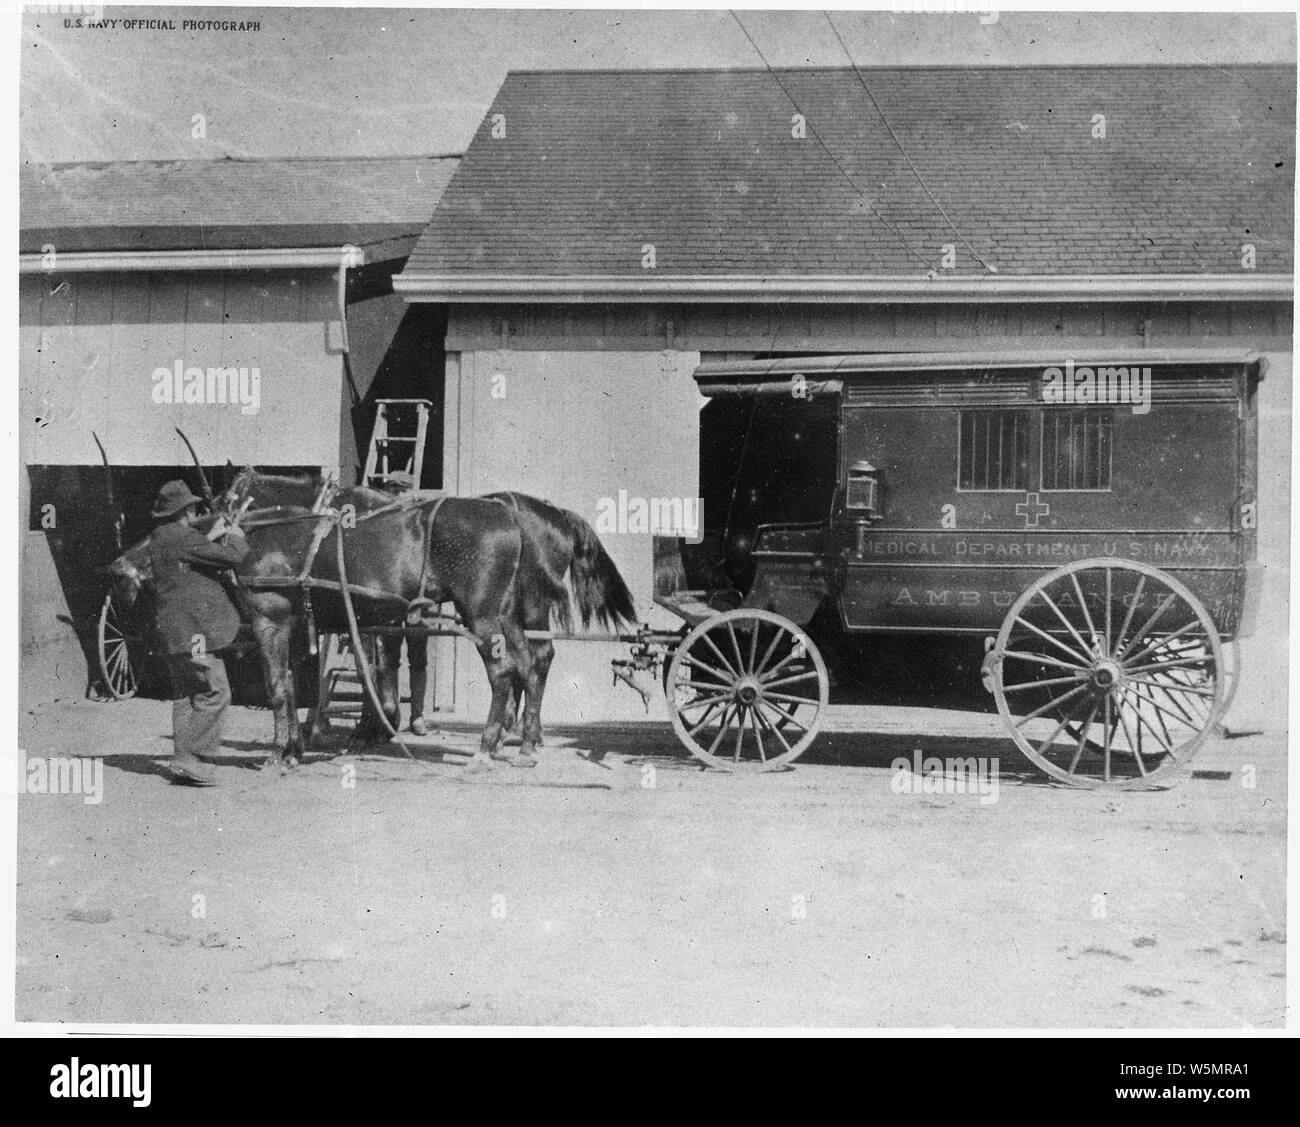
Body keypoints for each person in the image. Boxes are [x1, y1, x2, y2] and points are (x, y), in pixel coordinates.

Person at [148, 480, 249, 786]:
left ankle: (183, 760)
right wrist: (235, 536)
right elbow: (232, 557)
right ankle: (193, 759)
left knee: (186, 696)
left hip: (171, 632)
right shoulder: (185, 538)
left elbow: (191, 557)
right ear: (186, 510)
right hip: (194, 633)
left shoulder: (160, 537)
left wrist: (210, 537)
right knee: (215, 691)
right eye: (192, 508)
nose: (195, 512)